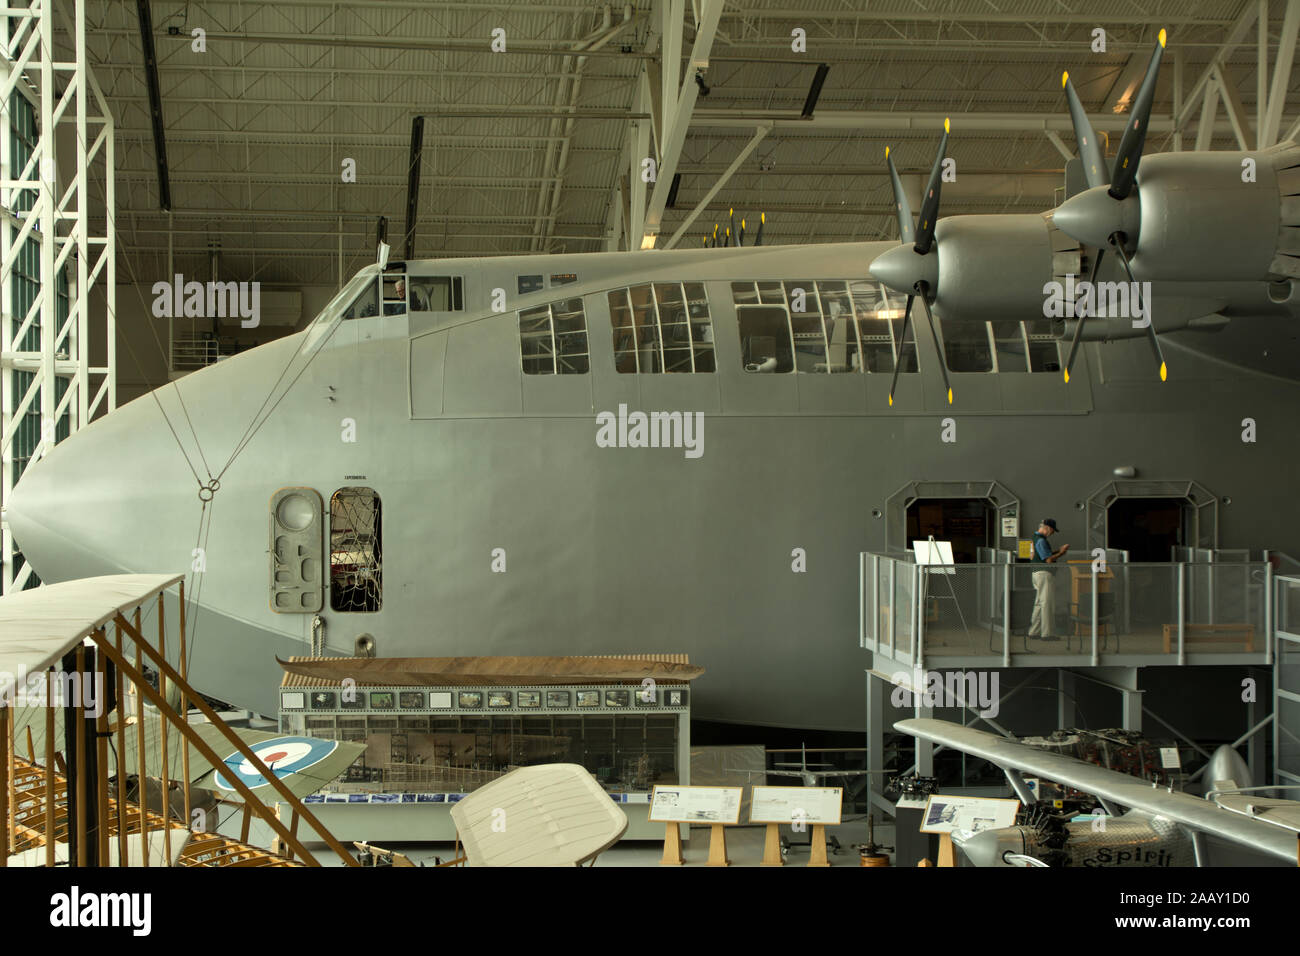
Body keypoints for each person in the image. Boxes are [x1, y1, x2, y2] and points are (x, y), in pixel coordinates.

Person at [1027, 518, 1069, 641]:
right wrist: (1061, 553)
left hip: (1035, 573)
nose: (1052, 533)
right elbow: (1048, 560)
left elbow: (1043, 555)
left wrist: (1057, 551)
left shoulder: (1034, 539)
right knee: (1047, 603)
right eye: (1053, 531)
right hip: (1044, 574)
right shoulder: (1041, 541)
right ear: (1048, 528)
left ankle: (1033, 631)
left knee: (1039, 603)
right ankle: (1047, 634)